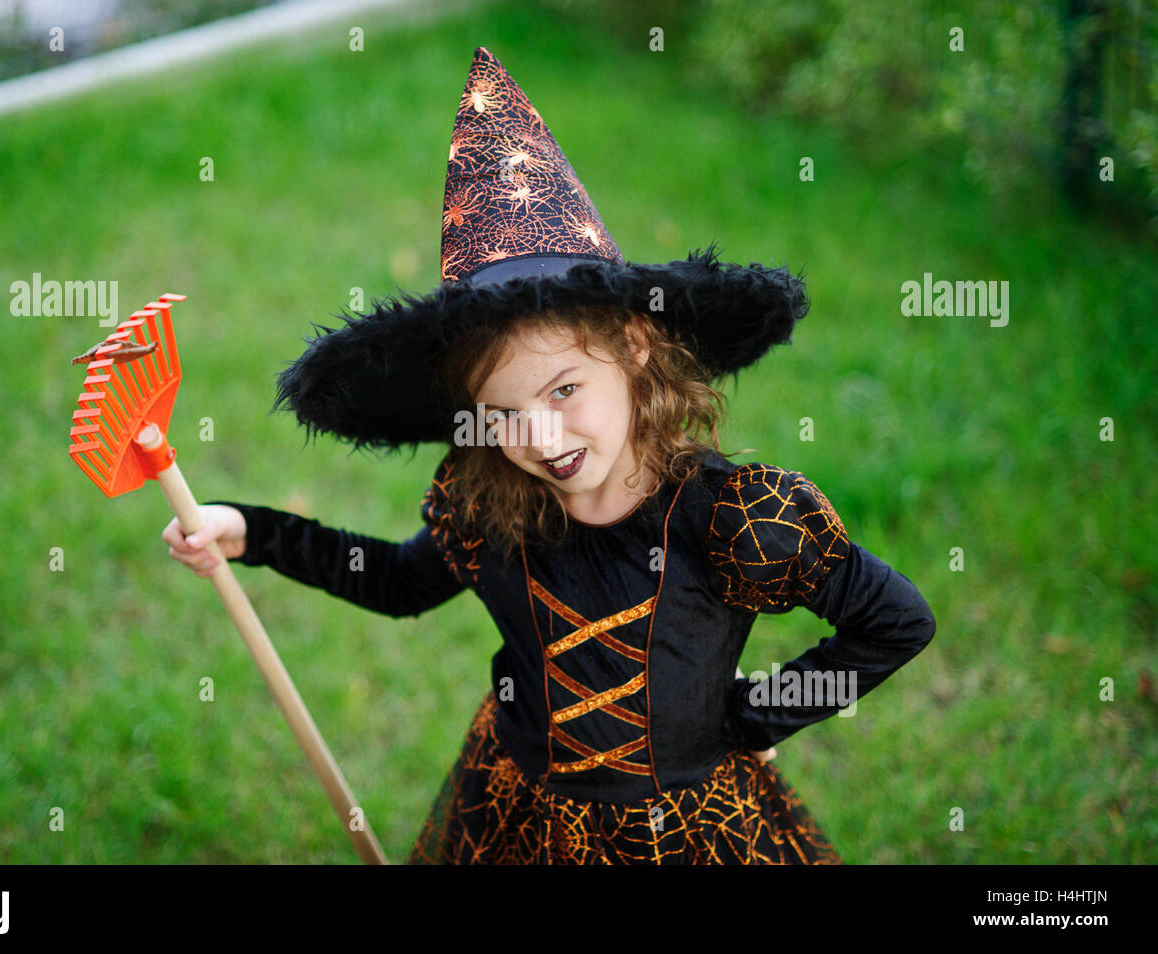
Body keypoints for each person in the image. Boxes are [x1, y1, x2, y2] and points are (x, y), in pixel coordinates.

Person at [162, 47, 936, 864]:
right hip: (518, 813)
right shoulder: (489, 501)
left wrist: (752, 717)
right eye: (502, 412)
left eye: (564, 391)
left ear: (636, 347)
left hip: (683, 829)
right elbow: (396, 583)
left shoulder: (734, 516)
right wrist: (251, 532)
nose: (539, 440)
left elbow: (893, 621)